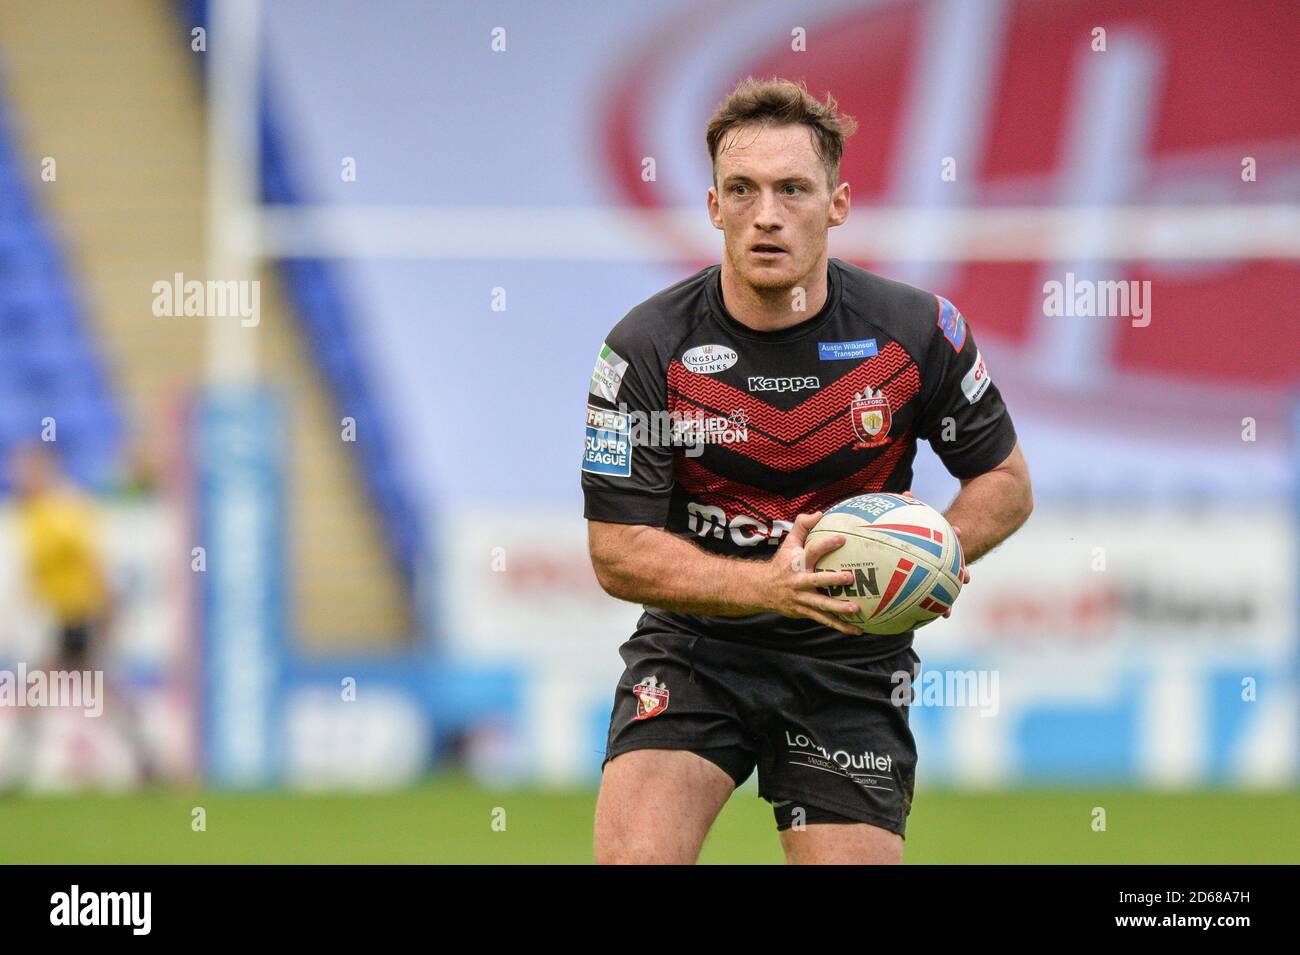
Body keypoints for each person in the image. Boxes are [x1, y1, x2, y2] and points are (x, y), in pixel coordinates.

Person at [582, 77, 1033, 864]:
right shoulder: (645, 350)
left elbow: (1005, 484)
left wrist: (935, 554)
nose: (766, 214)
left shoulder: (916, 332)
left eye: (793, 188)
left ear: (838, 203)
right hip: (697, 652)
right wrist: (767, 586)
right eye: (742, 190)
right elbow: (617, 549)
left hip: (851, 662)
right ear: (714, 206)